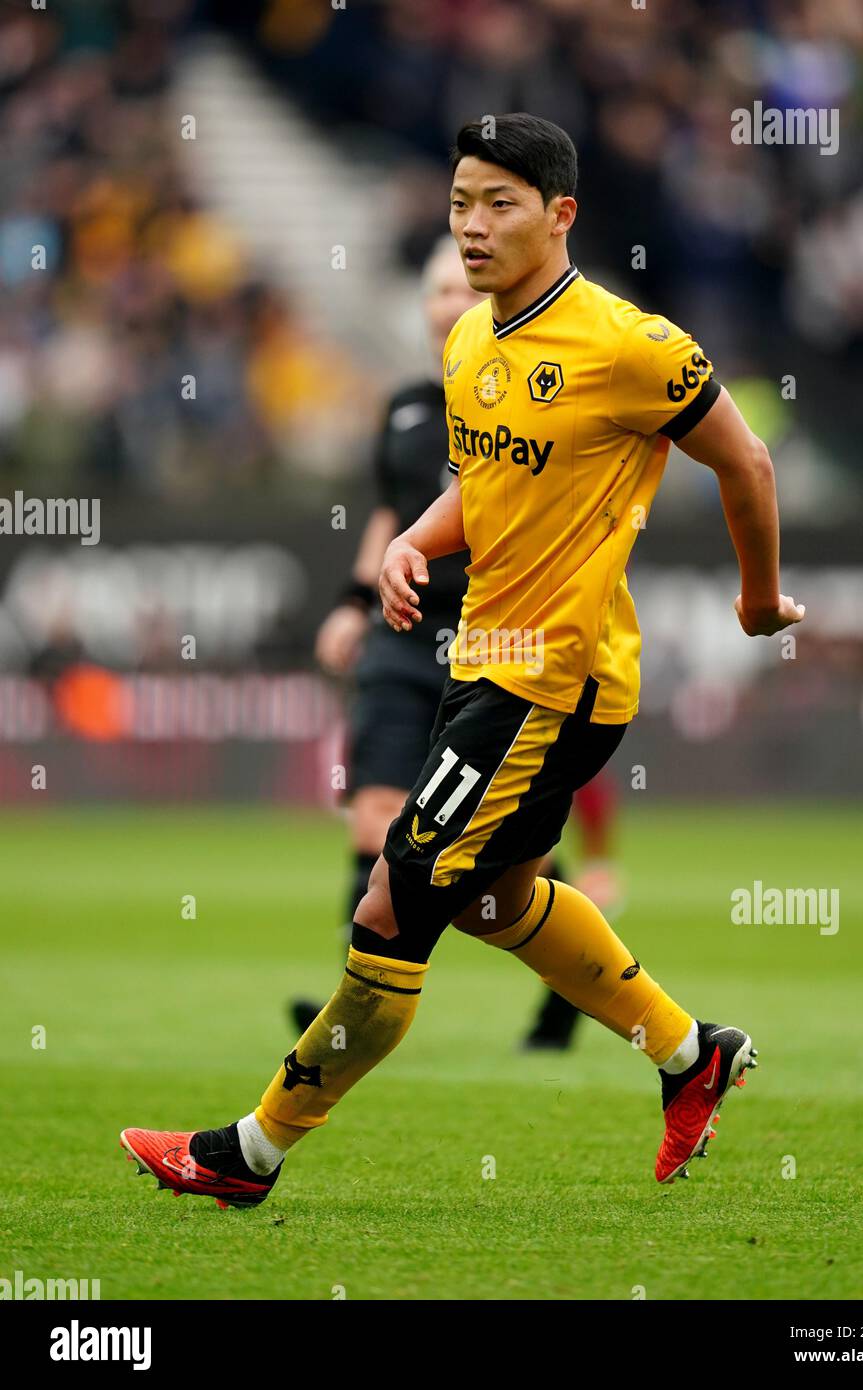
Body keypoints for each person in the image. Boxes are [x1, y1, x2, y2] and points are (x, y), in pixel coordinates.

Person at [121, 113, 803, 1209]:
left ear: (560, 214)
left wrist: (759, 598)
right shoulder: (469, 343)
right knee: (493, 900)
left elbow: (748, 460)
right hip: (483, 664)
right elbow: (484, 491)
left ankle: (245, 1152)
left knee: (391, 905)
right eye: (459, 204)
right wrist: (412, 539)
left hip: (553, 680)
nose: (473, 227)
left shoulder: (630, 344)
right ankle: (691, 1054)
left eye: (499, 204)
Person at [291, 234, 605, 1051]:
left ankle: (571, 988)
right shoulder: (403, 407)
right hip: (403, 636)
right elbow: (394, 512)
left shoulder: (533, 400)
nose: (448, 303)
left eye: (460, 288)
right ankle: (348, 1007)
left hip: (494, 643)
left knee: (496, 861)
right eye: (435, 289)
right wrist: (354, 601)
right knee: (376, 821)